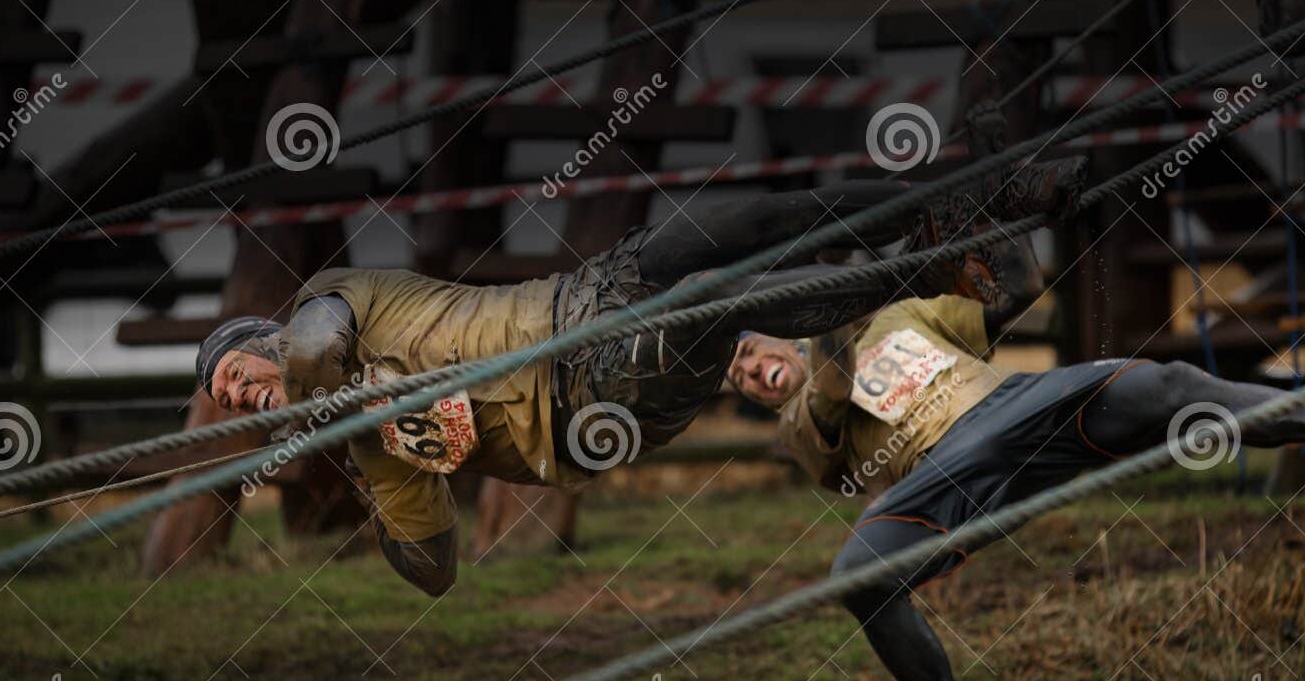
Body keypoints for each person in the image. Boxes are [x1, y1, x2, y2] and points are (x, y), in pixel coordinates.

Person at [193, 160, 1087, 596]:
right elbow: (433, 571)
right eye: (231, 403)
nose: (235, 395)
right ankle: (933, 267)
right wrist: (368, 449)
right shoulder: (378, 456)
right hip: (585, 403)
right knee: (712, 297)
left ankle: (968, 194)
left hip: (582, 297)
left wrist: (331, 404)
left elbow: (314, 346)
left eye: (232, 374)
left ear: (260, 339)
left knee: (736, 223)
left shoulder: (333, 302)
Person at [729, 299, 1305, 681]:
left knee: (1167, 384)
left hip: (1022, 405)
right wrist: (829, 300)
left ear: (770, 332)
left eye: (747, 352)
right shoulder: (797, 421)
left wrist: (1007, 209)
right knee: (857, 572)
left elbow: (1004, 289)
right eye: (741, 379)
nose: (752, 373)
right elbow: (830, 381)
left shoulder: (897, 312)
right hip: (948, 467)